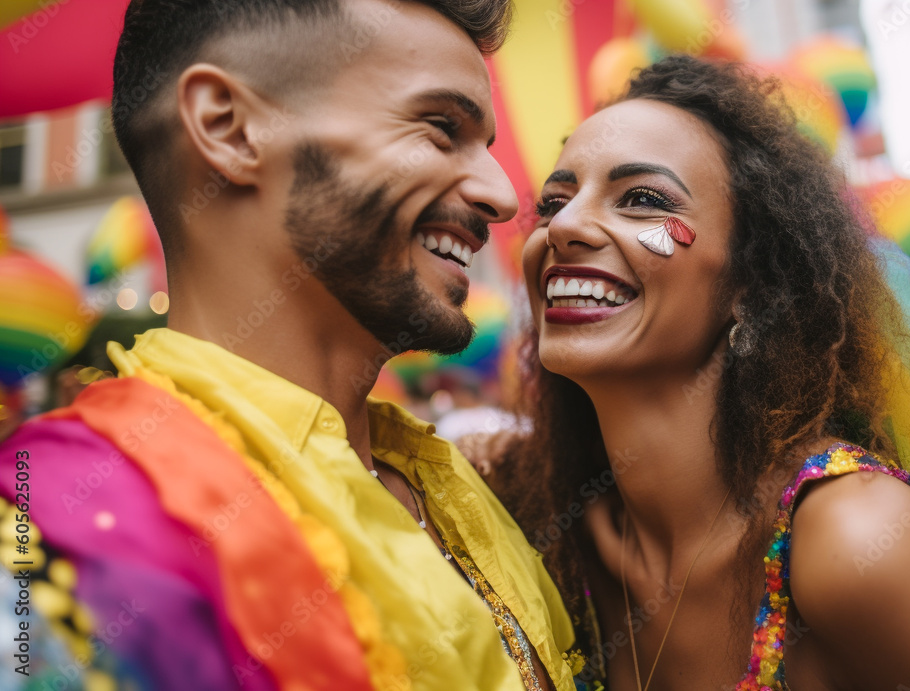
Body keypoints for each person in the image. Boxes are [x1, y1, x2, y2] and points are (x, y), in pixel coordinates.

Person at [0, 2, 585, 690]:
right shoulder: (47, 540)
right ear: (231, 128)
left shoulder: (463, 491)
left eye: (485, 144)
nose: (498, 194)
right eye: (440, 129)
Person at [494, 56, 910, 690]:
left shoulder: (855, 539)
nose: (563, 227)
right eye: (553, 202)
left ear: (751, 283)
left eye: (643, 199)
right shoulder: (534, 521)